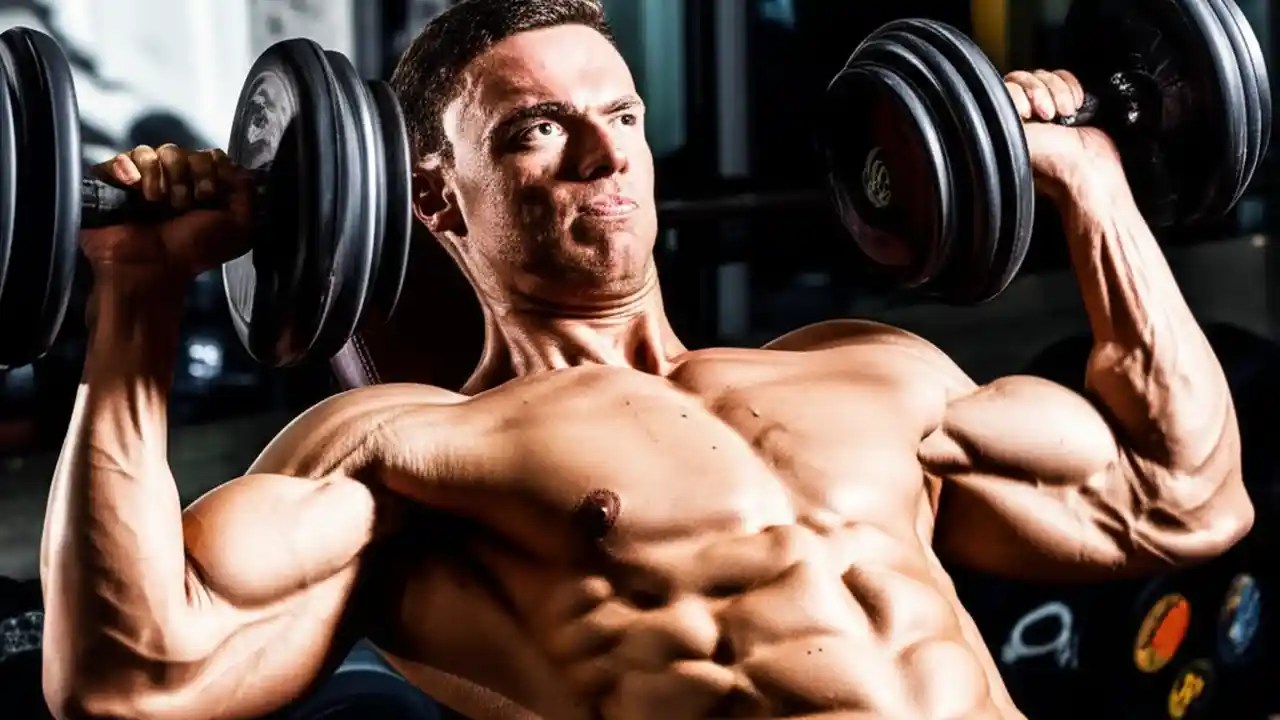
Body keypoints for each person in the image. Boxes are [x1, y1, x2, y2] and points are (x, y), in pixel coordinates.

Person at [41, 1, 1253, 718]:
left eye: (619, 116)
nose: (603, 154)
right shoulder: (408, 448)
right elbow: (134, 675)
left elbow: (1179, 498)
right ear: (435, 197)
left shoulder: (871, 372)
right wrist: (136, 296)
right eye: (538, 129)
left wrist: (1089, 179)